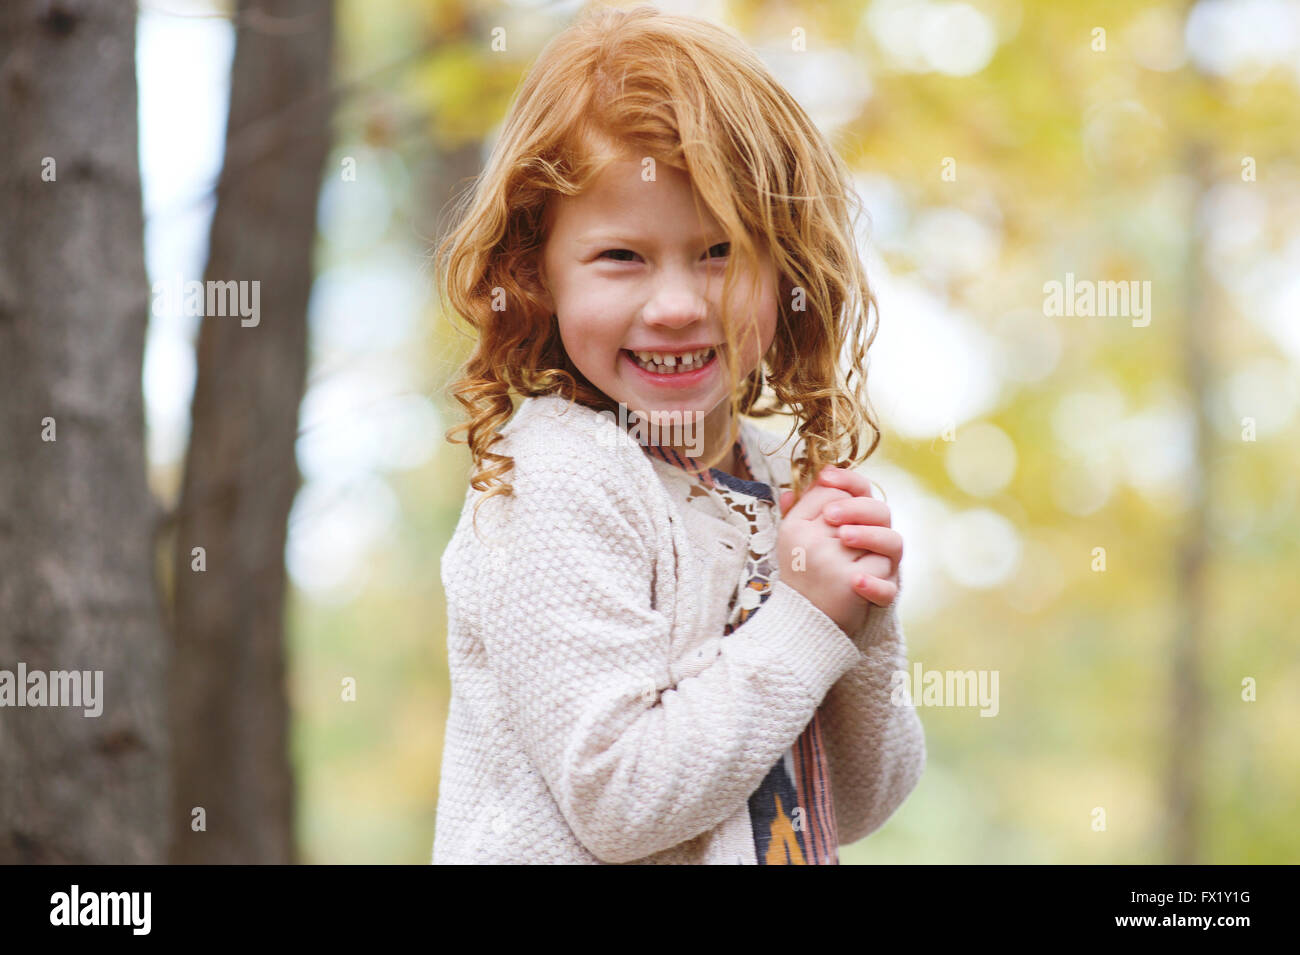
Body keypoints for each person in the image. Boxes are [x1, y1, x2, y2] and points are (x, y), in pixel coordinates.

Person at [430, 3, 924, 865]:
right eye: (621, 256)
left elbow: (854, 799)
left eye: (720, 251)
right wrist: (804, 618)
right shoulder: (559, 474)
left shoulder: (776, 475)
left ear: (788, 266)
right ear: (536, 272)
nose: (676, 305)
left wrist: (856, 614)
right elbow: (622, 798)